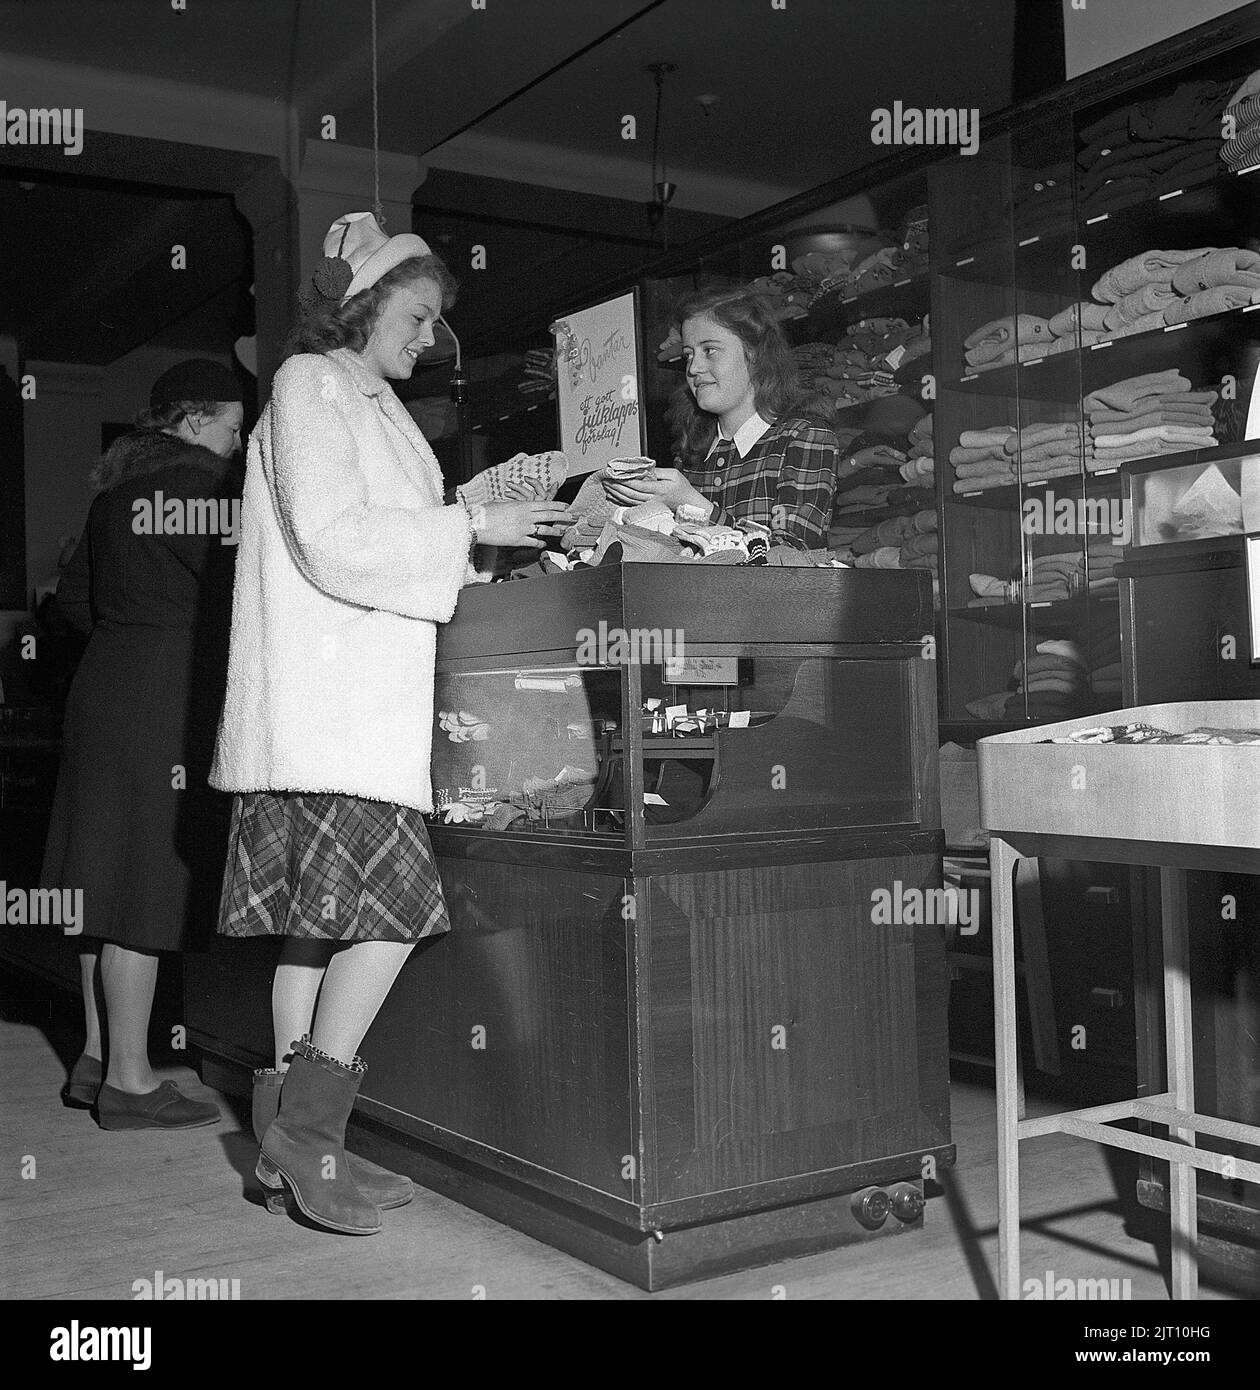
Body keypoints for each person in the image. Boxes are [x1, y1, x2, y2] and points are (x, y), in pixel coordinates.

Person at [209, 211, 573, 1236]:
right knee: (394, 916)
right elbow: (335, 539)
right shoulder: (310, 384)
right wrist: (471, 524)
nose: (430, 338)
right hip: (332, 715)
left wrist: (488, 524)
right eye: (417, 316)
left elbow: (404, 542)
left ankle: (293, 1150)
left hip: (344, 712)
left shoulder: (372, 404)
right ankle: (305, 1139)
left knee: (315, 935)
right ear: (366, 304)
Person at [43, 359, 245, 1129]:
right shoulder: (202, 489)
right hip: (166, 690)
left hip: (103, 688)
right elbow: (241, 591)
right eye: (230, 426)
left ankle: (96, 1057)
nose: (236, 442)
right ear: (193, 422)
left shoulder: (113, 497)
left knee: (101, 877)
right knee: (143, 887)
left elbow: (73, 605)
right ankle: (130, 1081)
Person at [604, 285, 839, 548]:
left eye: (710, 350)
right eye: (688, 354)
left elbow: (792, 554)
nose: (693, 368)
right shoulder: (693, 454)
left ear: (755, 355)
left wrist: (692, 504)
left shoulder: (804, 437)